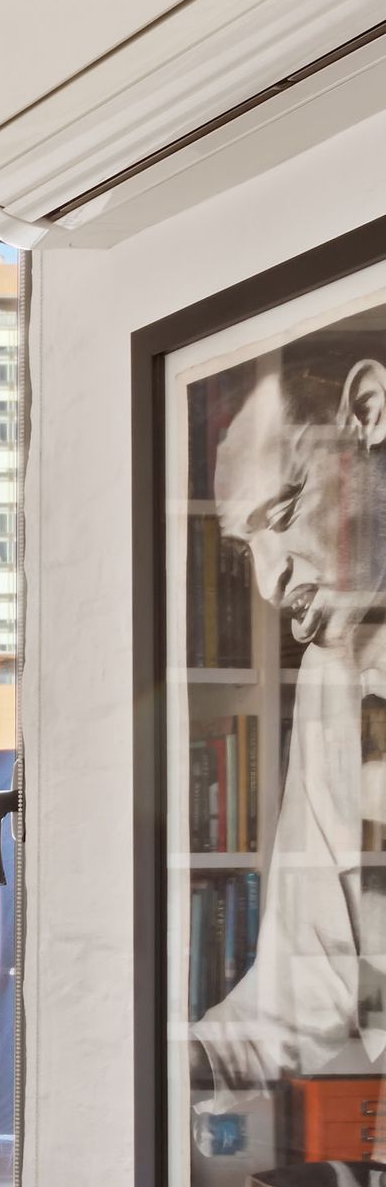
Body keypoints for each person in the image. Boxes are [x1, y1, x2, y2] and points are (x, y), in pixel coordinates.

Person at [193, 324, 386, 1120]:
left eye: (282, 511)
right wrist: (185, 1064)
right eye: (247, 549)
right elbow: (311, 974)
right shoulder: (330, 681)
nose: (270, 581)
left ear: (368, 413)